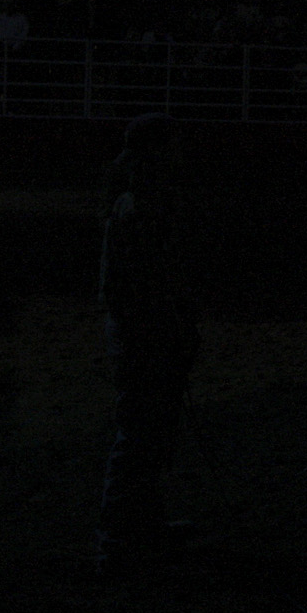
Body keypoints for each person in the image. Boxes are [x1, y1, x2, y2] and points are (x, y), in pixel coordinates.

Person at [95, 112, 202, 577]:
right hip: (146, 337)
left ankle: (138, 528)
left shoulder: (139, 202)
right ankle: (118, 540)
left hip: (148, 334)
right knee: (140, 434)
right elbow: (137, 289)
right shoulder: (140, 207)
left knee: (148, 434)